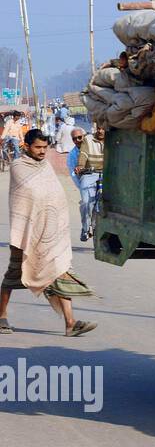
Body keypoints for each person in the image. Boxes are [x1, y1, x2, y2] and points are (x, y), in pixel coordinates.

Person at [0, 129, 96, 336]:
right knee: (13, 275)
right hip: (25, 234)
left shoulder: (46, 166)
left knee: (59, 271)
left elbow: (54, 195)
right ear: (27, 147)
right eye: (38, 147)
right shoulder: (18, 166)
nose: (42, 152)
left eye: (45, 147)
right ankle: (2, 317)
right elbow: (29, 196)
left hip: (49, 234)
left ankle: (70, 323)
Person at [68, 125, 104, 242]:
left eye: (79, 137)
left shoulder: (111, 139)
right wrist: (80, 166)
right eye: (74, 139)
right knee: (86, 202)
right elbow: (82, 156)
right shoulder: (86, 142)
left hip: (106, 174)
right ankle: (85, 228)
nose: (78, 140)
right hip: (89, 174)